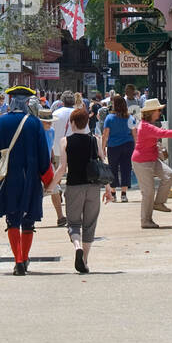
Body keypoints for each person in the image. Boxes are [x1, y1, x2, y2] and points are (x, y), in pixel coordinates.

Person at [0, 85, 55, 275]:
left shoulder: (0, 122)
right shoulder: (34, 123)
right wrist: (47, 177)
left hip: (10, 177)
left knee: (12, 219)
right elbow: (43, 155)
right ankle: (24, 257)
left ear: (11, 101)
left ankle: (17, 261)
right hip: (31, 178)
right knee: (28, 220)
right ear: (27, 103)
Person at [51, 108, 103, 272]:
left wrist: (51, 186)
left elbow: (62, 168)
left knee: (73, 223)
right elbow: (102, 165)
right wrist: (108, 188)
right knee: (90, 224)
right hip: (94, 187)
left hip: (74, 186)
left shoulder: (65, 141)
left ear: (72, 123)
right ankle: (84, 261)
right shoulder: (95, 140)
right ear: (87, 122)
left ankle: (77, 246)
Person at [131, 98, 172, 228]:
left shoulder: (147, 125)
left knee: (169, 175)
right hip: (142, 162)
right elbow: (163, 133)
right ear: (151, 112)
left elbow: (155, 135)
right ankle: (146, 221)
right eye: (158, 110)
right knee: (148, 192)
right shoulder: (146, 126)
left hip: (152, 159)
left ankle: (158, 203)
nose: (160, 112)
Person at [102, 93, 135, 204]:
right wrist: (136, 146)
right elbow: (134, 134)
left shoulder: (109, 118)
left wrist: (102, 148)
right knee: (126, 168)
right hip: (128, 145)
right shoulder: (130, 118)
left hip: (113, 146)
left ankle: (113, 193)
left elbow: (105, 135)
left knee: (113, 169)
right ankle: (124, 194)